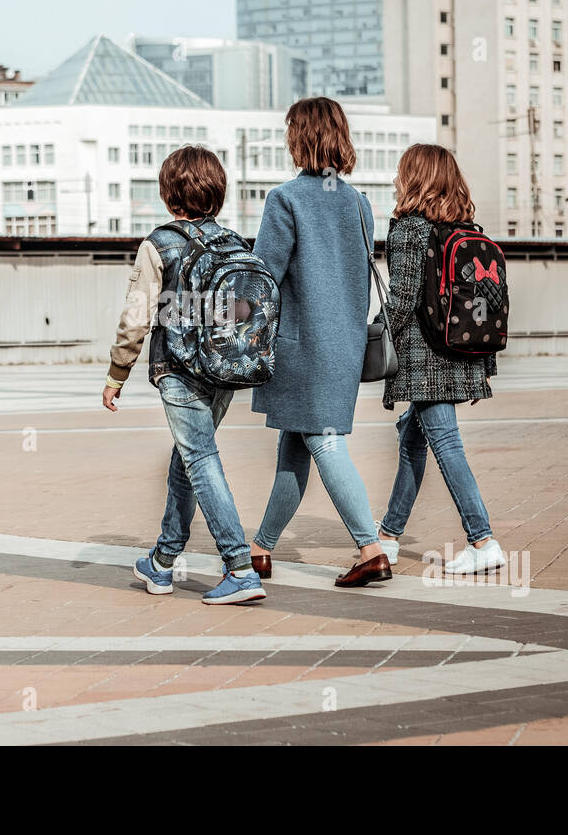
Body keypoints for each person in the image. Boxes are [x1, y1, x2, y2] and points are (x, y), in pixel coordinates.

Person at [101, 145, 267, 605]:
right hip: (224, 369)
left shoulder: (159, 244)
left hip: (178, 369)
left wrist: (117, 373)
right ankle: (162, 561)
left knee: (199, 459)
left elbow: (136, 317)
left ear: (167, 193)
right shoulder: (235, 243)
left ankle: (239, 568)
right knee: (187, 457)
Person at [247, 98, 392, 588]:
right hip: (343, 344)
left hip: (301, 345)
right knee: (296, 443)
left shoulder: (284, 199)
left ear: (300, 138)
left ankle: (369, 548)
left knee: (324, 441)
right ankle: (261, 548)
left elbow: (264, 277)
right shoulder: (358, 203)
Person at [377, 143, 505, 574]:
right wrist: (481, 366)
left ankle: (483, 539)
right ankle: (388, 538)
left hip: (424, 356)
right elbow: (484, 305)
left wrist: (373, 340)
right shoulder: (467, 230)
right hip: (459, 351)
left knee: (445, 442)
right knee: (413, 443)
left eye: (401, 171)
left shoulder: (409, 230)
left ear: (413, 178)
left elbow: (402, 299)